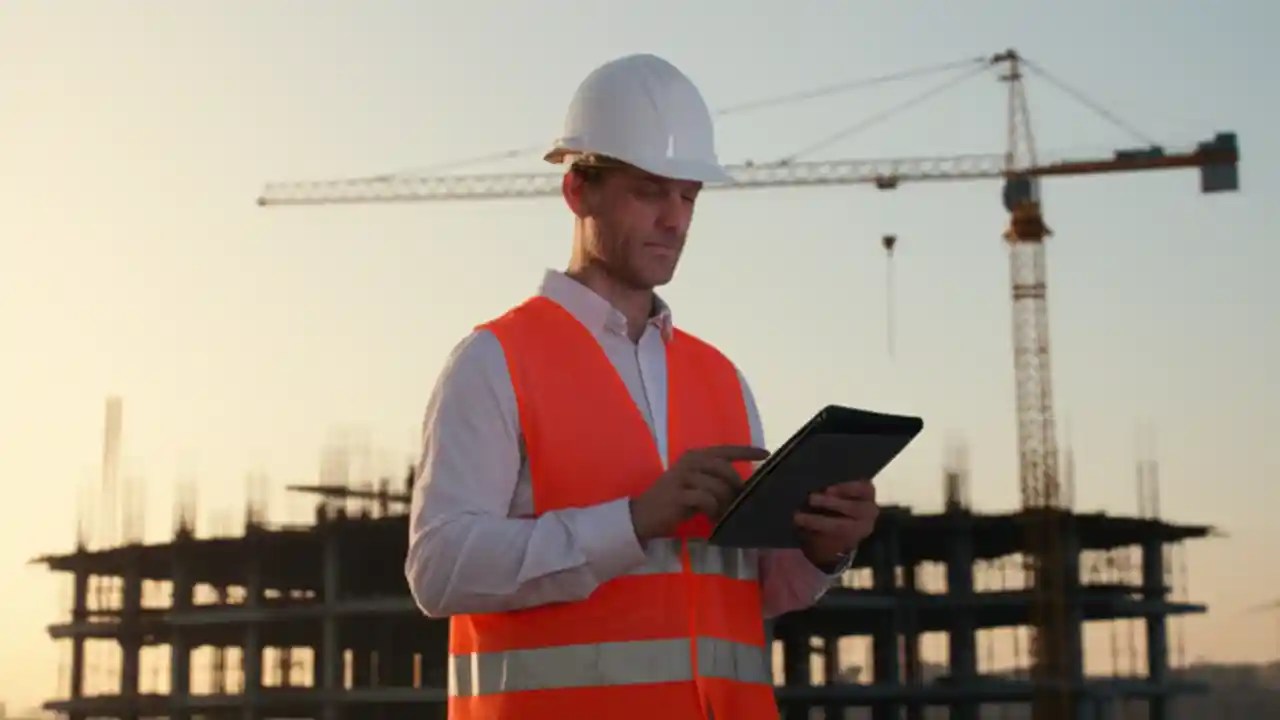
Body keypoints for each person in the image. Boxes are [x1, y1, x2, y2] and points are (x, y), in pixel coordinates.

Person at [405, 53, 880, 720]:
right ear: (579, 191)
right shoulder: (494, 361)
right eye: (650, 191)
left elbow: (755, 592)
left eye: (688, 195)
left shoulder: (720, 378)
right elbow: (440, 570)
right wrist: (630, 522)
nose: (675, 219)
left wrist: (822, 549)